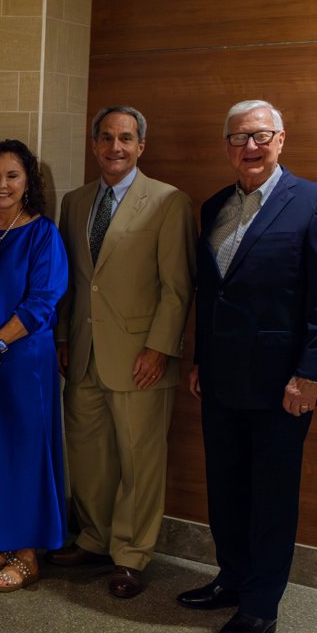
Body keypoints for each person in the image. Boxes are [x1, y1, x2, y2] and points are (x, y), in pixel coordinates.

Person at [182, 100, 317, 633]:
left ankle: (260, 605)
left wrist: (311, 374)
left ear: (281, 139)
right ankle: (231, 579)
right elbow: (213, 293)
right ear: (226, 146)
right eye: (238, 137)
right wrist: (201, 360)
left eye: (260, 136)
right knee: (225, 489)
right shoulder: (215, 206)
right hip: (221, 379)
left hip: (283, 385)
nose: (249, 147)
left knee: (270, 498)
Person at [51, 106, 196, 598]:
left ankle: (131, 554)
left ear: (141, 146)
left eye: (126, 138)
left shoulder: (169, 201)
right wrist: (63, 338)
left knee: (140, 461)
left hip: (141, 358)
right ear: (95, 145)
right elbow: (71, 282)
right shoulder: (74, 202)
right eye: (107, 138)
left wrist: (159, 349)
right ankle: (95, 538)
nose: (116, 147)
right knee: (88, 456)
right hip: (83, 353)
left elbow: (178, 287)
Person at [0, 139, 68, 593]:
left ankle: (27, 555)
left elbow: (43, 301)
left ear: (28, 183)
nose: (2, 184)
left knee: (24, 453)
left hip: (24, 362)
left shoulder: (43, 233)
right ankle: (4, 542)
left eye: (12, 175)